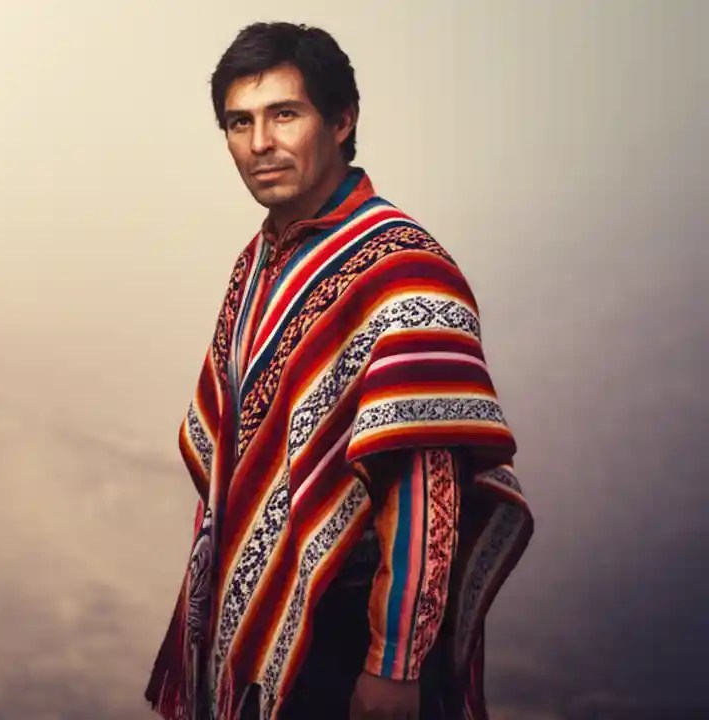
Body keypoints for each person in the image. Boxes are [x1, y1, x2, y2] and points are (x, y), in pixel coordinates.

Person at [143, 22, 534, 720]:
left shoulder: (404, 271)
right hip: (274, 623)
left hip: (351, 630)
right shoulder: (258, 261)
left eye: (284, 114)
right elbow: (235, 455)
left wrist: (394, 665)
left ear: (342, 119)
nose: (259, 143)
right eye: (239, 122)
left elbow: (421, 481)